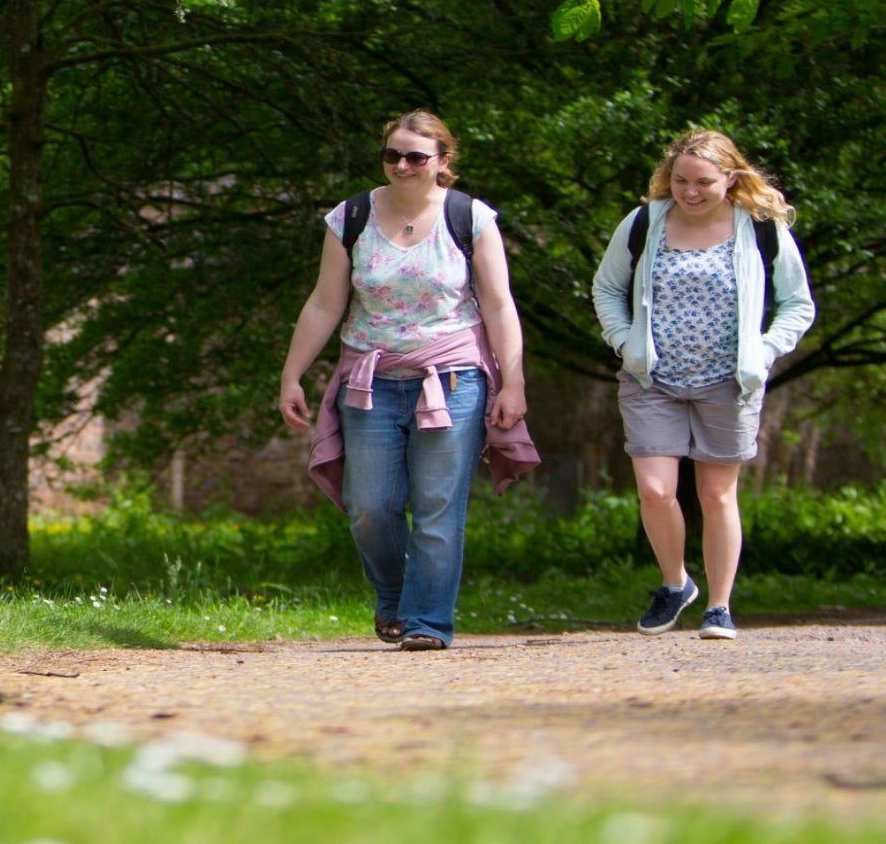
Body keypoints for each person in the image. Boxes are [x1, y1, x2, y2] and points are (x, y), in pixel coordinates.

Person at [281, 113, 539, 650]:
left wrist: (512, 382)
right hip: (369, 381)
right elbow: (326, 302)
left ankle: (426, 623)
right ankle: (396, 598)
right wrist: (292, 374)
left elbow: (497, 304)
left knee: (437, 505)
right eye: (392, 155)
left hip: (454, 377)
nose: (402, 165)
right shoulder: (351, 216)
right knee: (370, 507)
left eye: (416, 156)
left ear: (443, 162)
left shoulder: (471, 218)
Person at [591, 130, 816, 640]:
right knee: (654, 489)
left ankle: (719, 605)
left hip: (729, 380)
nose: (690, 192)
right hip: (652, 377)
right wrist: (624, 341)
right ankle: (675, 583)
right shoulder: (645, 222)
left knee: (716, 496)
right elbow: (607, 287)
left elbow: (798, 303)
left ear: (731, 179)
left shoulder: (760, 229)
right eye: (681, 180)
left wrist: (765, 349)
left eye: (704, 183)